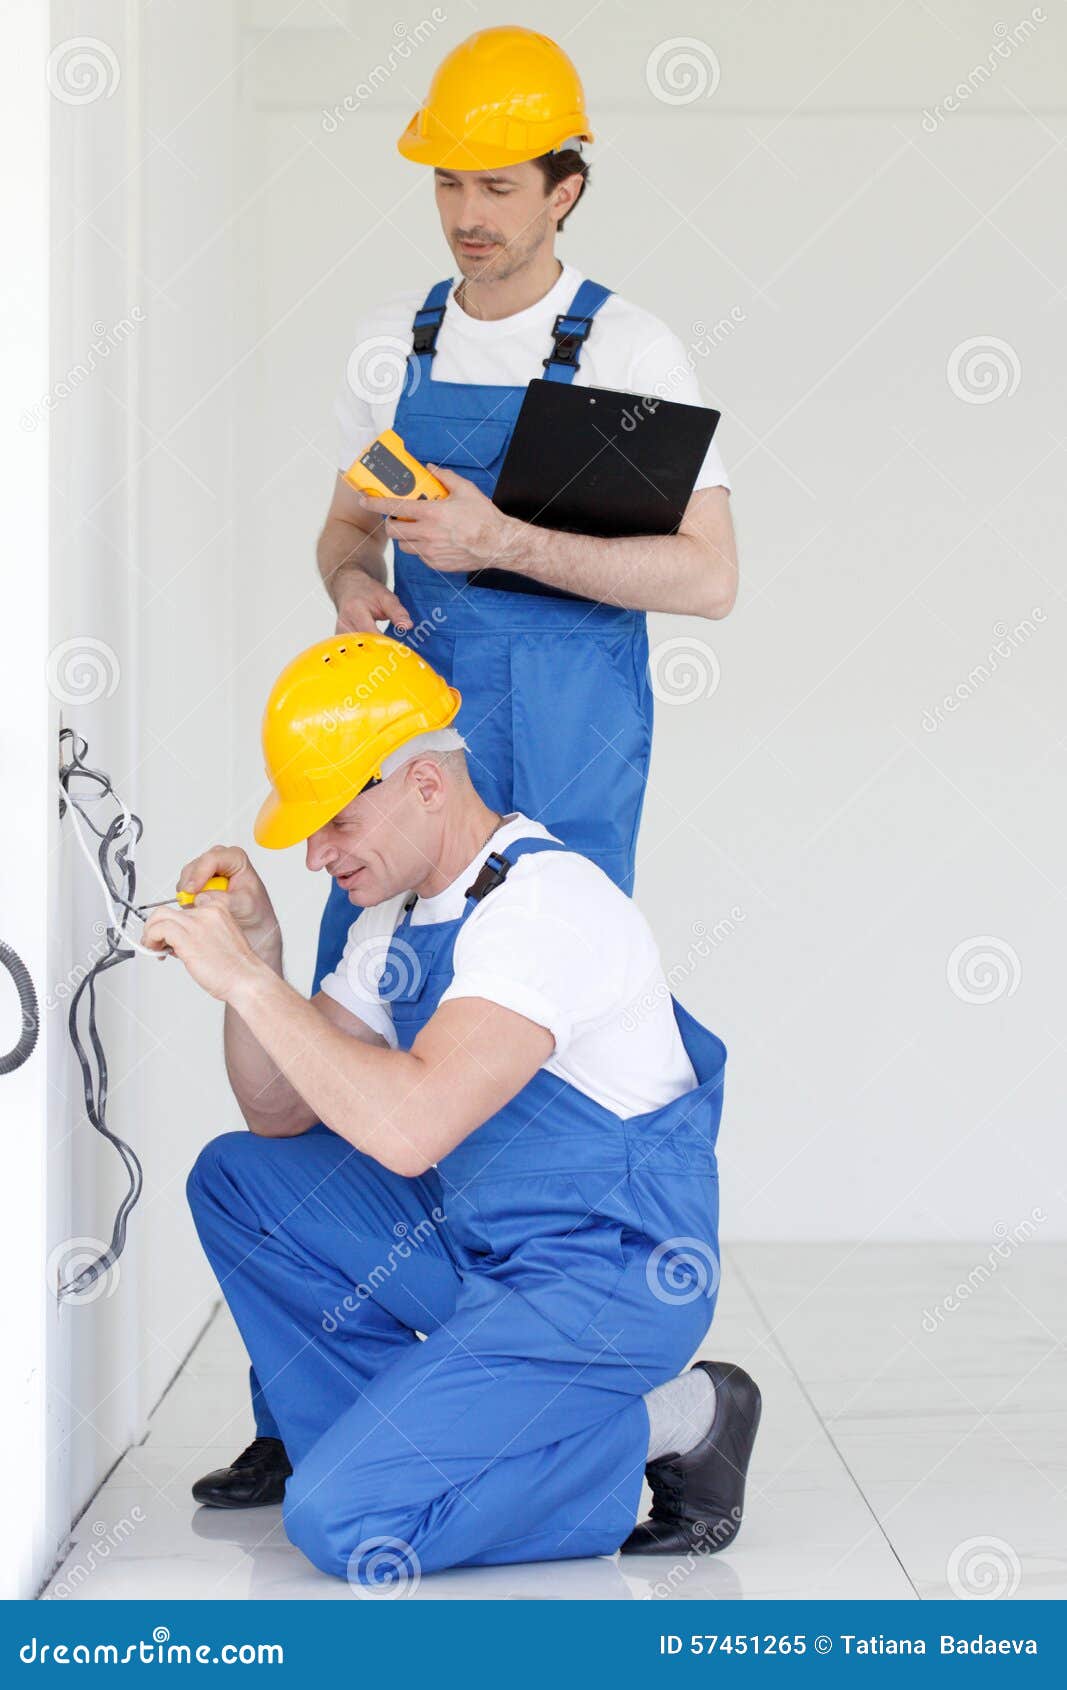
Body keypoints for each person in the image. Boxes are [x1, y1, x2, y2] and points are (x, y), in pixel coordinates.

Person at [145, 634, 760, 1581]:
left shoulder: (544, 909)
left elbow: (408, 1127)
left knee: (348, 1525)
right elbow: (278, 1110)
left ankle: (678, 1420)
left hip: (602, 1280)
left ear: (425, 784)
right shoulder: (397, 918)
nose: (316, 855)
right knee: (240, 1179)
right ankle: (392, 1445)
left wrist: (245, 985)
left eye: (337, 823)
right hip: (479, 1249)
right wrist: (258, 964)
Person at [313, 23, 738, 992]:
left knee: (542, 1010)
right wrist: (348, 584)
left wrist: (501, 540)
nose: (467, 213)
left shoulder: (627, 355)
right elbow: (345, 528)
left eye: (498, 187)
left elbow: (709, 576)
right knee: (369, 1005)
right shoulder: (390, 345)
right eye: (447, 182)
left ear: (564, 191)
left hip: (566, 745)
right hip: (407, 742)